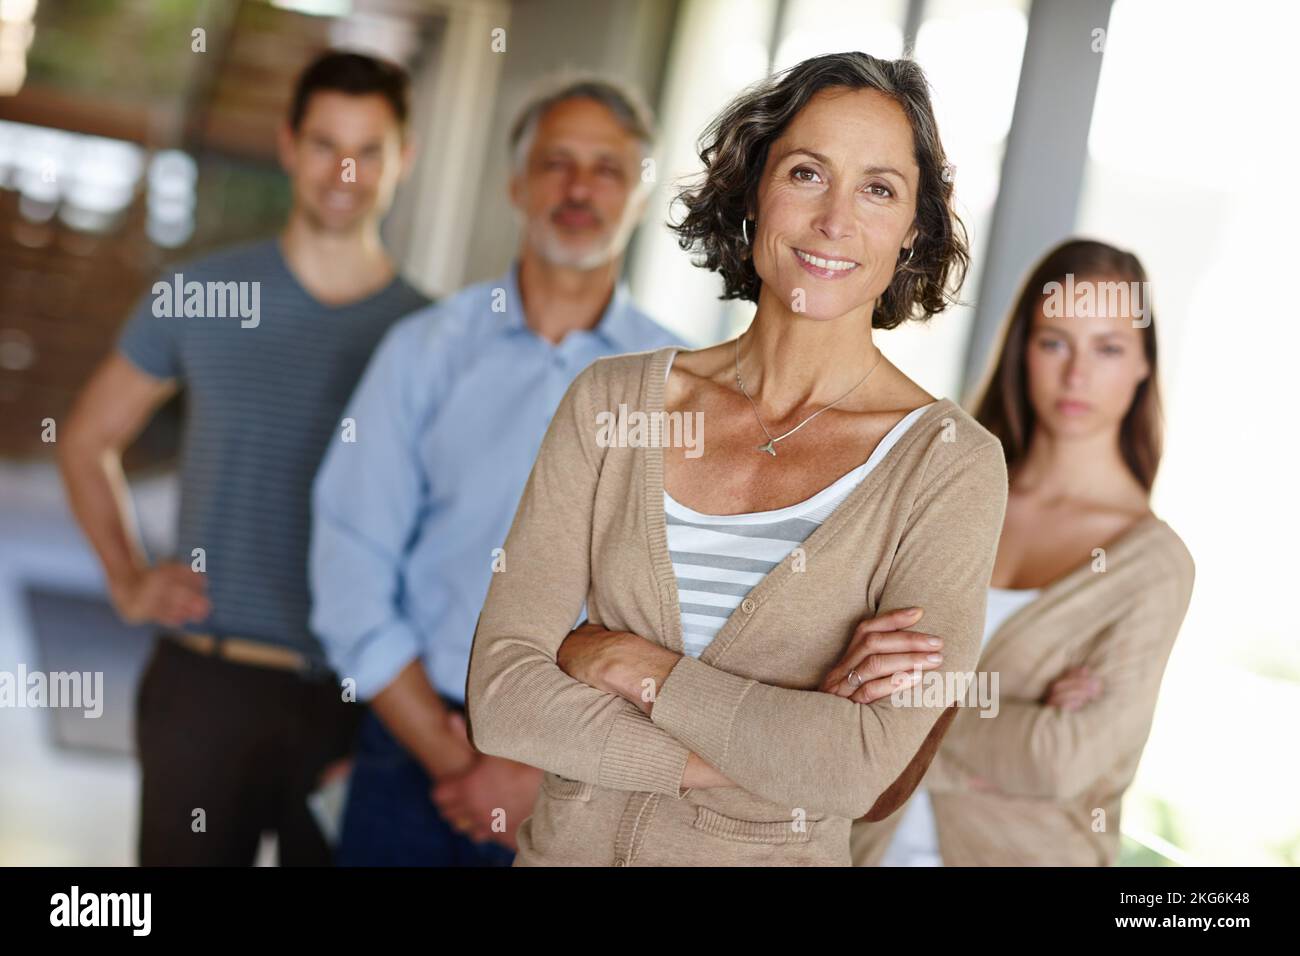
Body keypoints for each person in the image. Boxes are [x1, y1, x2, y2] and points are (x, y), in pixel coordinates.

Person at [464, 51, 1008, 866]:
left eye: (878, 189)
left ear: (912, 233)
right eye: (805, 173)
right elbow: (504, 699)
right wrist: (755, 750)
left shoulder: (949, 467)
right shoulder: (613, 402)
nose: (834, 220)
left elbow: (855, 767)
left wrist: (623, 659)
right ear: (753, 190)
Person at [58, 50, 428, 865]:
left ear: (405, 158)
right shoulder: (199, 292)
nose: (345, 171)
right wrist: (127, 577)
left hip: (356, 701)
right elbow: (86, 442)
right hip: (207, 683)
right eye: (326, 142)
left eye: (370, 150)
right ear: (288, 145)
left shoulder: (431, 336)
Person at [310, 74, 684, 866]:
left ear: (641, 198)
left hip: (588, 766)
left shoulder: (682, 387)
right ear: (516, 183)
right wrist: (459, 763)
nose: (579, 188)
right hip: (415, 744)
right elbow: (350, 561)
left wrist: (537, 768)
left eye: (608, 169)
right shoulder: (426, 350)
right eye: (557, 163)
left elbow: (685, 613)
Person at [852, 239, 1194, 866]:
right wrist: (1009, 727)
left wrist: (903, 715)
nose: (1077, 375)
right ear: (1022, 349)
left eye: (1109, 348)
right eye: (1054, 341)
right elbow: (831, 677)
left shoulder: (1154, 564)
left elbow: (1059, 762)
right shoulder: (946, 488)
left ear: (1144, 363)